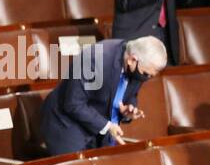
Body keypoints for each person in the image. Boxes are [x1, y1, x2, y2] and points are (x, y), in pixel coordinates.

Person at [39, 36, 167, 155]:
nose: (146, 78)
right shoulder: (94, 60)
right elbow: (73, 103)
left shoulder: (138, 66)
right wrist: (107, 126)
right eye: (146, 74)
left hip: (98, 128)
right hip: (66, 126)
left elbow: (131, 93)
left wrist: (128, 109)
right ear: (132, 59)